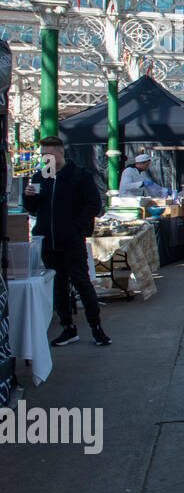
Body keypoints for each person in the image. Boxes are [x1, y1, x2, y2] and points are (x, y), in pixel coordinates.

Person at [23, 136, 110, 347]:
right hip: (47, 240)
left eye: (49, 155)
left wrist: (76, 227)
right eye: (42, 156)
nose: (45, 159)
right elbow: (33, 208)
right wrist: (28, 196)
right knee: (58, 284)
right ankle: (67, 327)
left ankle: (96, 327)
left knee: (81, 281)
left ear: (61, 153)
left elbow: (94, 204)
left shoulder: (79, 175)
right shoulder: (41, 176)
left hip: (71, 240)